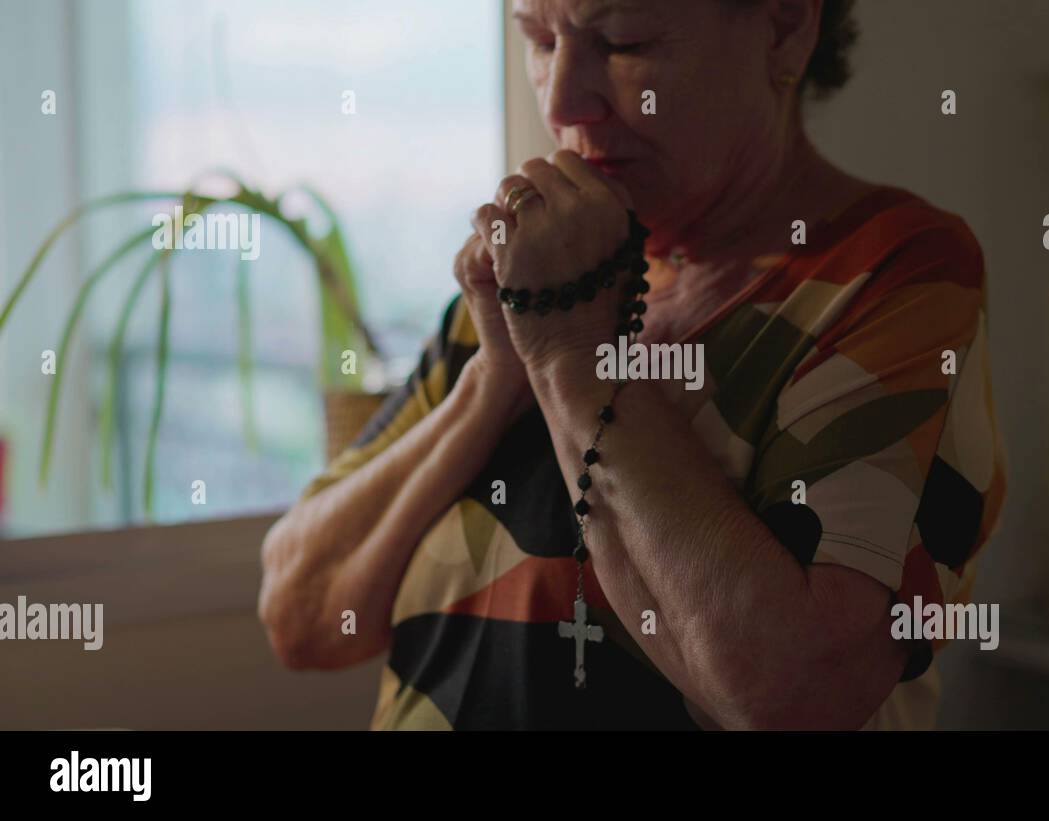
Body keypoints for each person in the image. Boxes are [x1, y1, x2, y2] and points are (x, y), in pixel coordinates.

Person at [258, 0, 1006, 730]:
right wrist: (495, 380)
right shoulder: (544, 270)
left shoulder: (892, 277)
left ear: (783, 25)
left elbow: (792, 694)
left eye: (622, 43)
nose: (563, 103)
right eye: (540, 39)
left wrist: (572, 362)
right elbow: (303, 615)